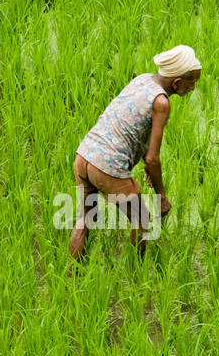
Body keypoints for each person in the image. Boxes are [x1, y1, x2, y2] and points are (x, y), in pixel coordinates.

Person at [69, 45, 202, 260]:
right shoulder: (162, 103)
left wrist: (146, 168)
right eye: (193, 81)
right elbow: (152, 158)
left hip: (84, 155)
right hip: (107, 166)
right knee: (144, 221)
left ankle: (71, 279)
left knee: (85, 219)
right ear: (177, 82)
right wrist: (161, 197)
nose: (194, 87)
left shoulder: (143, 79)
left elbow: (132, 126)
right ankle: (137, 276)